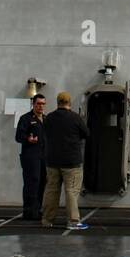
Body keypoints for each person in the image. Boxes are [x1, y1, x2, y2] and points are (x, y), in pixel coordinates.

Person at [41, 91, 89, 230]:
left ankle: (47, 220)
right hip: (71, 161)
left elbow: (46, 133)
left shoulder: (49, 118)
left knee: (51, 190)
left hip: (52, 160)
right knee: (71, 191)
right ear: (69, 102)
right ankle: (73, 221)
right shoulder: (75, 118)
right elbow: (86, 133)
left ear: (58, 102)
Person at [14, 93, 48, 220]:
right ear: (33, 104)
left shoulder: (45, 118)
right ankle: (28, 211)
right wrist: (28, 139)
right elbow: (18, 137)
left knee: (42, 182)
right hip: (30, 157)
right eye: (38, 103)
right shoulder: (26, 118)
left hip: (43, 157)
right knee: (31, 183)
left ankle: (37, 209)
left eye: (43, 104)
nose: (41, 106)